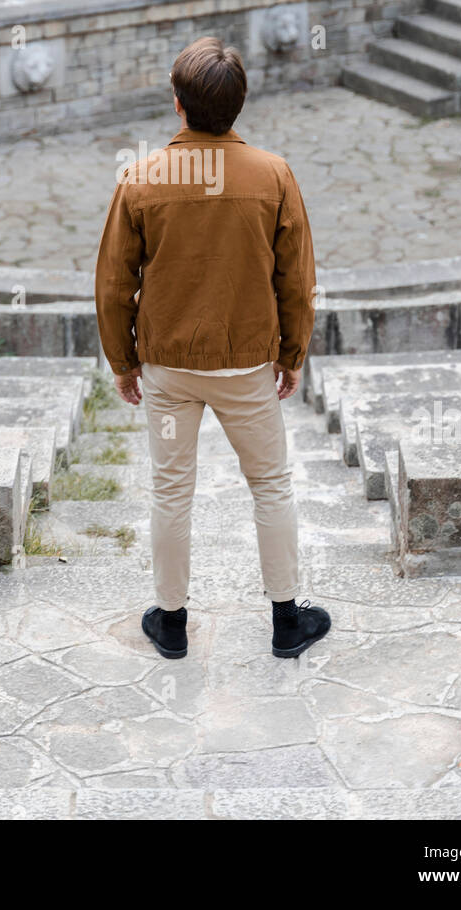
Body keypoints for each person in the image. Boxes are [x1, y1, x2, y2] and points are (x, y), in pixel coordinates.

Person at [95, 36, 330, 660]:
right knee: (270, 486)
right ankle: (286, 619)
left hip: (169, 369)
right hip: (248, 367)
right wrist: (293, 354)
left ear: (178, 104)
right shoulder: (273, 174)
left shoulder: (141, 179)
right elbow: (297, 280)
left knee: (172, 490)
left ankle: (171, 623)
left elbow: (116, 283)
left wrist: (124, 363)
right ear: (240, 103)